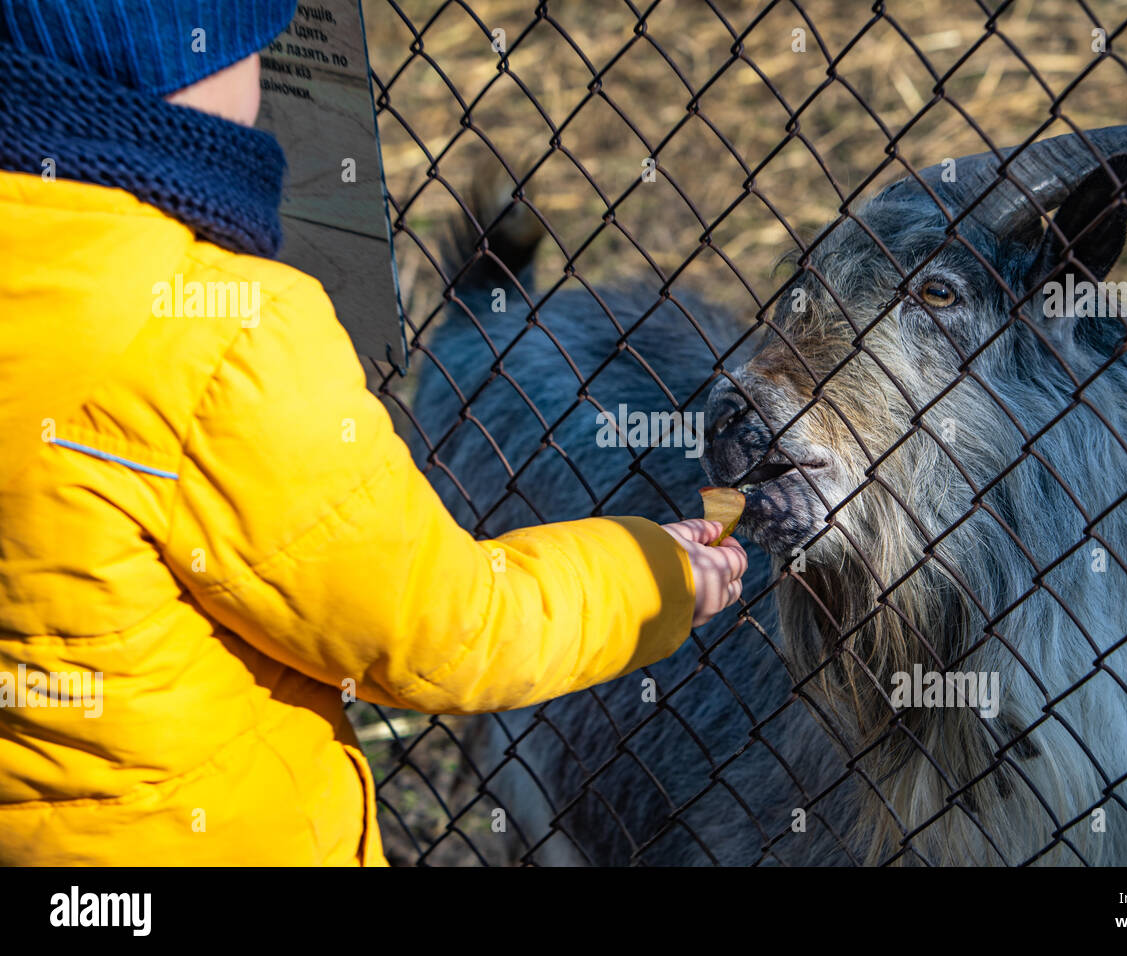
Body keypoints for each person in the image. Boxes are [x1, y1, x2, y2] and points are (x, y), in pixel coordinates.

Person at [0, 0, 746, 865]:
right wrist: (653, 577)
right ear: (172, 74)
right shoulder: (224, 331)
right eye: (249, 47)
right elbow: (435, 629)